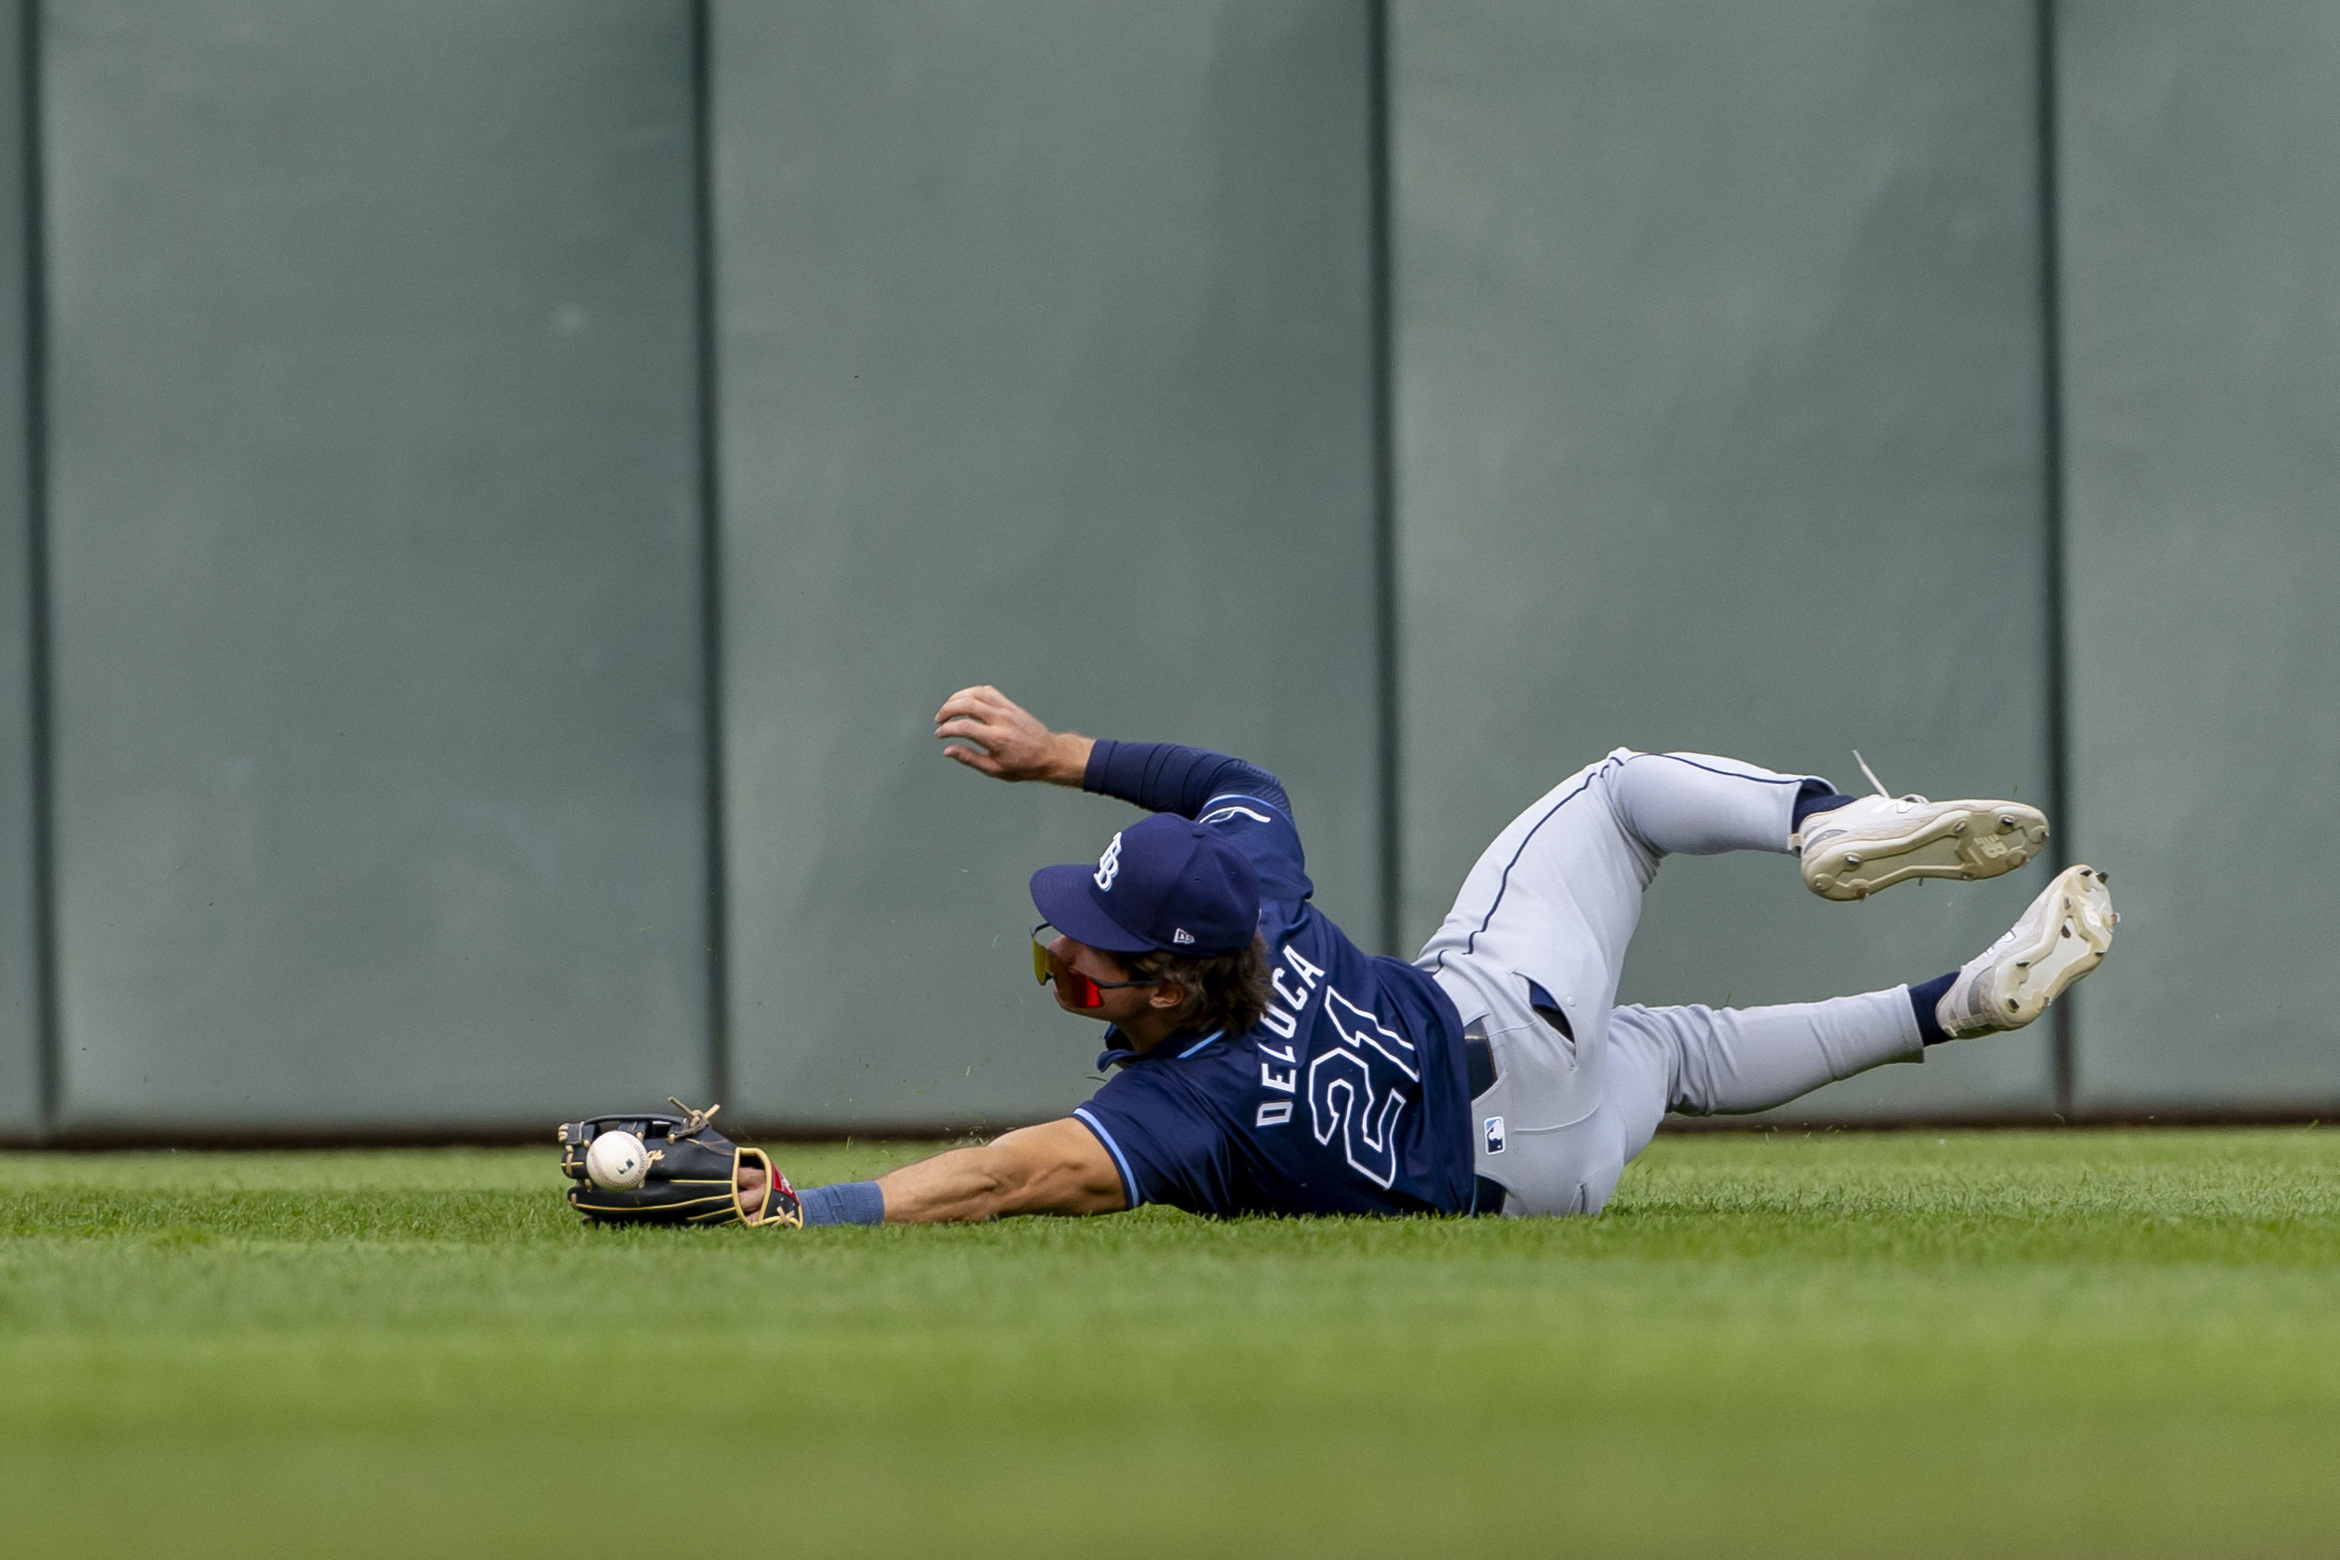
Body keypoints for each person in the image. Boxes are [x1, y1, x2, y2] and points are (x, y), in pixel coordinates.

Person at [739, 685, 2114, 1227]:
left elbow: (999, 1177)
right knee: (1627, 802)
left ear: (1169, 982)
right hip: (1517, 1023)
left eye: (1087, 956)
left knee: (1675, 1048)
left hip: (1540, 1181)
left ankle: (1955, 1002)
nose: (1068, 961)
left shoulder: (1186, 1104)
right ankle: (1820, 820)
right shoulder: (1255, 892)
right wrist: (1064, 758)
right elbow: (1234, 773)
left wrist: (802, 1210)